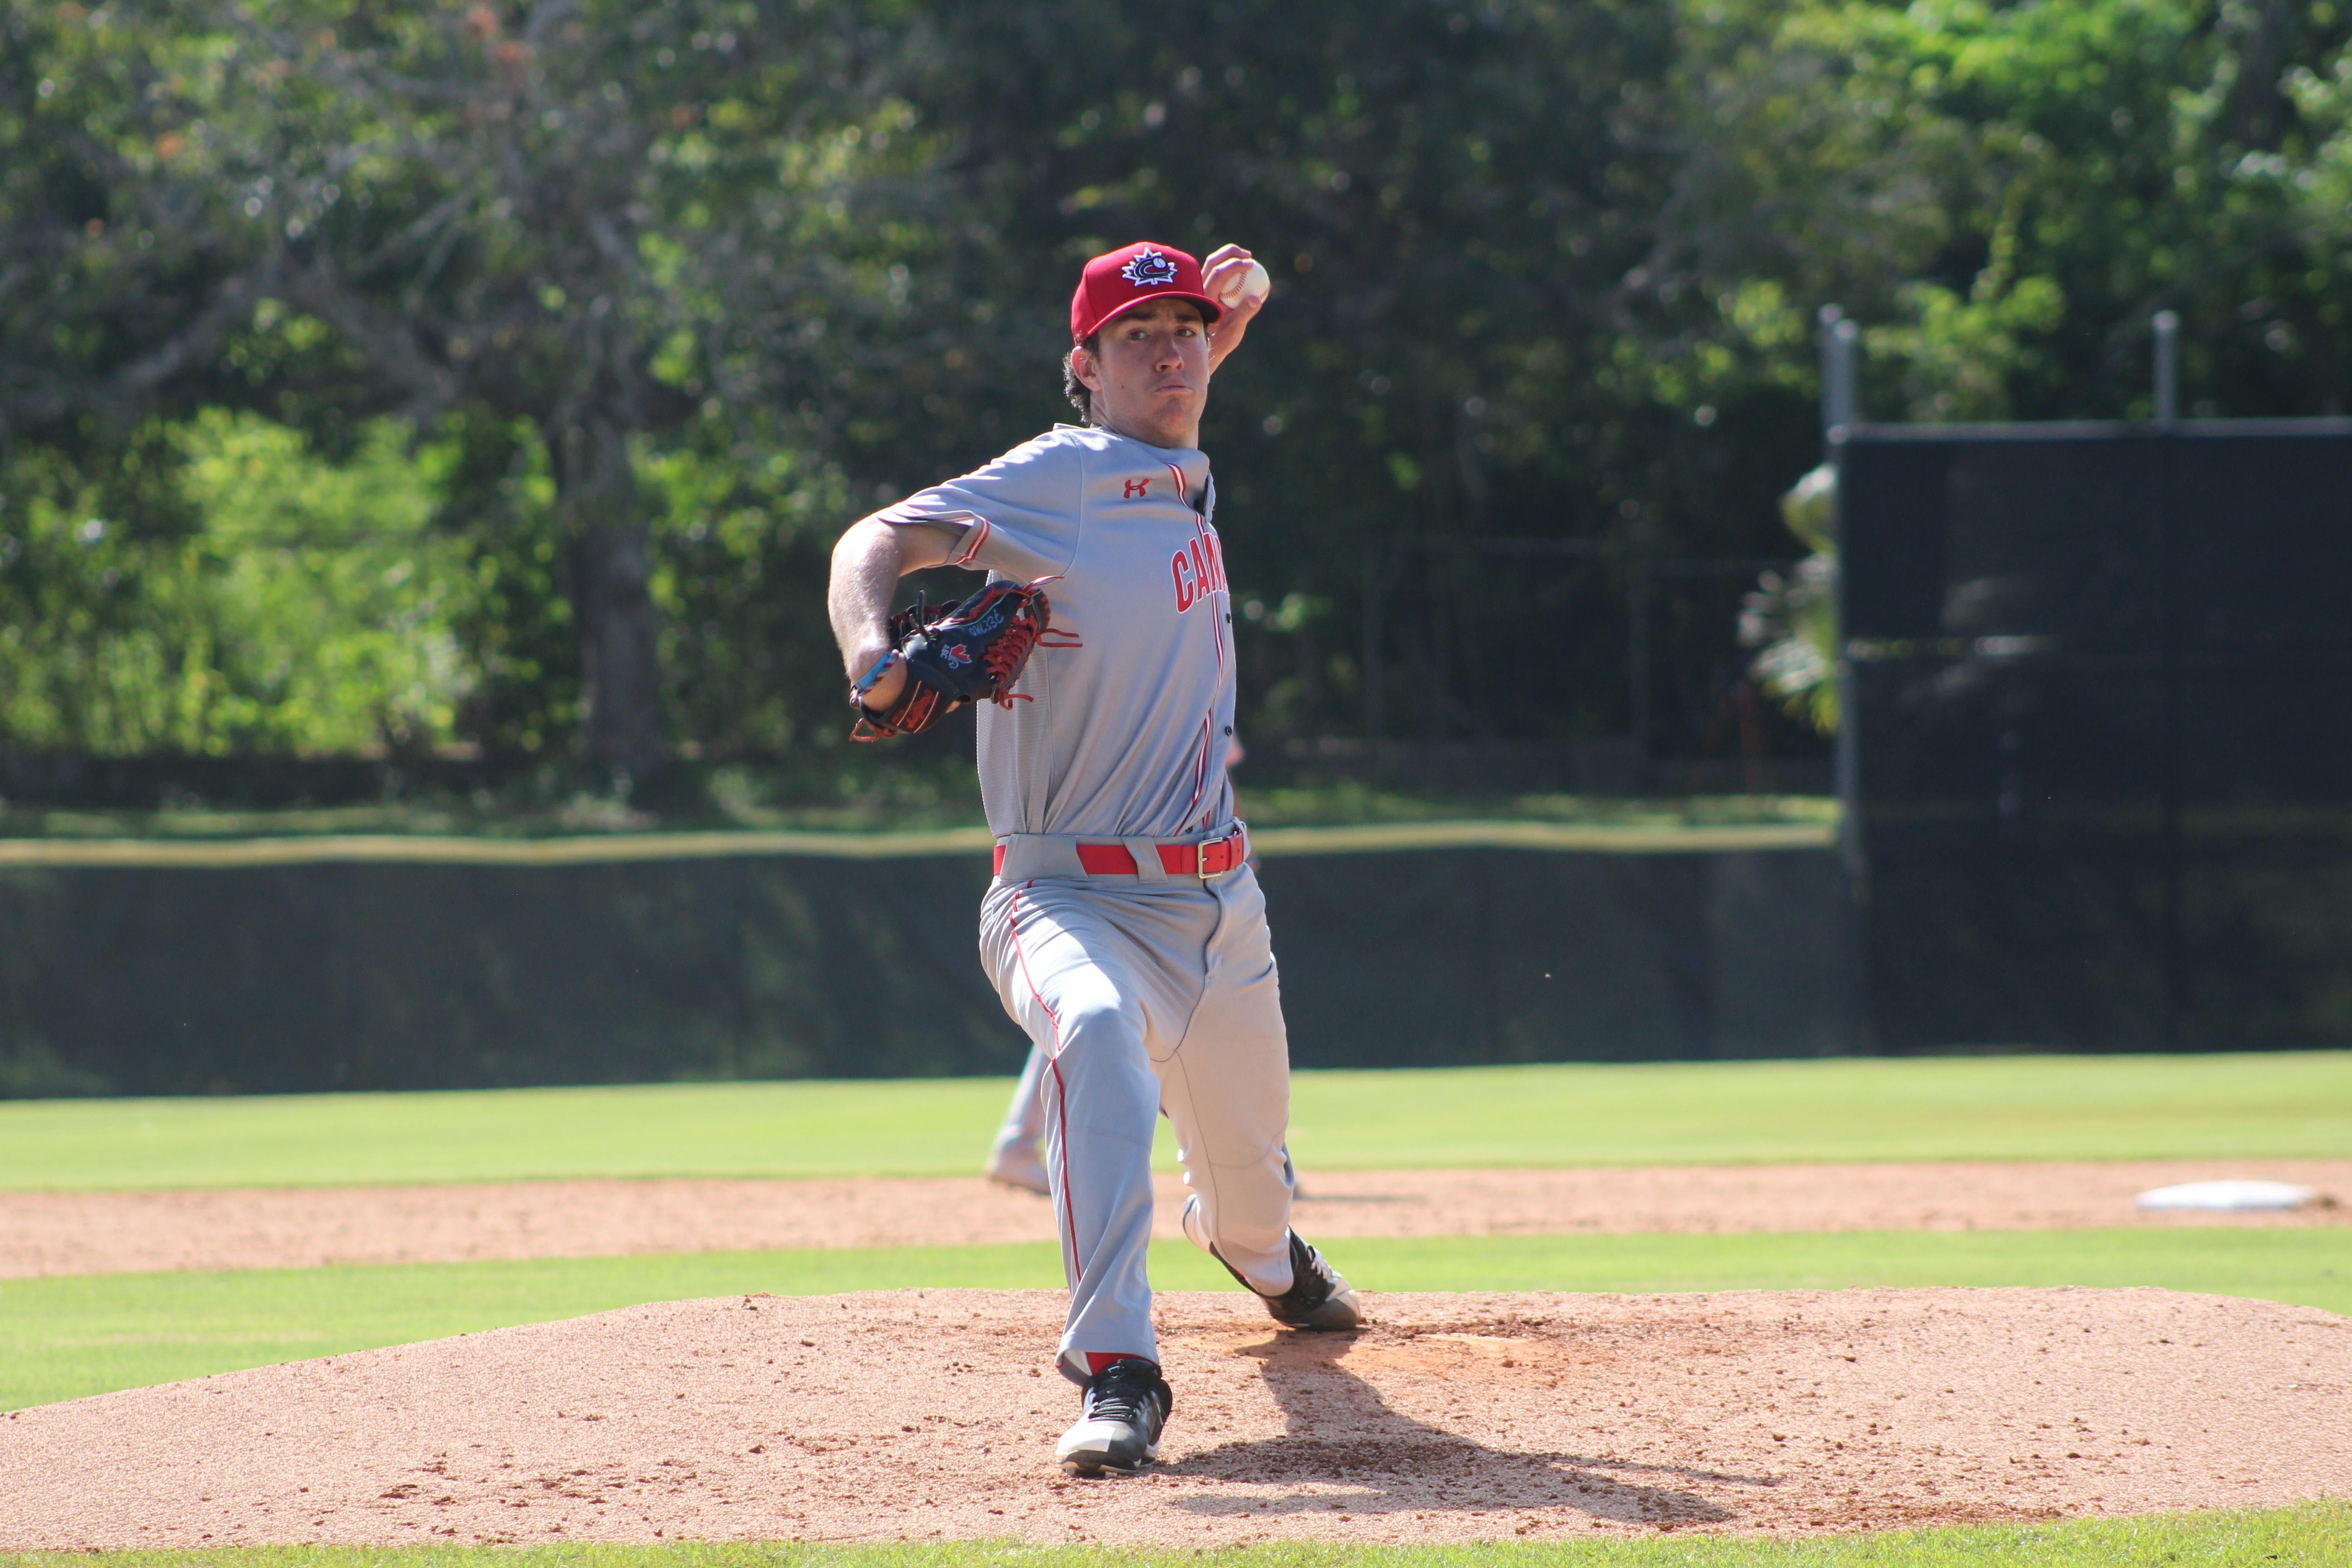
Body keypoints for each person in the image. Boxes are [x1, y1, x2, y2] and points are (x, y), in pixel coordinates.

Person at [827, 240, 1360, 1477]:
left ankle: (1268, 1265)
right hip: (1062, 891)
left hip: (1219, 906)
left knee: (1255, 1210)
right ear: (1084, 366)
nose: (1172, 349)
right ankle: (1119, 1372)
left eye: (1186, 330)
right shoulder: (1064, 474)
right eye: (1138, 336)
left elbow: (1176, 400)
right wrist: (870, 653)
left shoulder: (1176, 468)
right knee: (1097, 1031)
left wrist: (1232, 320)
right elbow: (875, 540)